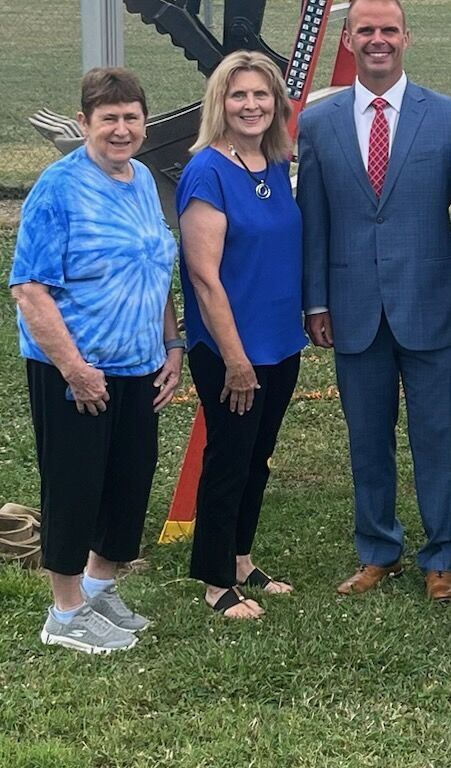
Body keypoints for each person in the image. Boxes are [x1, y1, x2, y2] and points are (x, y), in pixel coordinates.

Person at [297, 0, 451, 601]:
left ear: (407, 38)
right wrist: (315, 301)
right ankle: (378, 551)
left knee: (437, 436)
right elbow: (314, 219)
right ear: (348, 41)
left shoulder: (448, 115)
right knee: (366, 438)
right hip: (352, 311)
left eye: (390, 31)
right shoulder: (319, 123)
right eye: (365, 31)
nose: (378, 41)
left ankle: (442, 557)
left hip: (430, 305)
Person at [9, 67, 181, 655]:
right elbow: (29, 289)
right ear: (84, 122)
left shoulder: (139, 180)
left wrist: (173, 346)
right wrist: (75, 370)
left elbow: (156, 268)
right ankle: (64, 612)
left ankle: (100, 587)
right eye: (108, 118)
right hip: (77, 369)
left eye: (131, 117)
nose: (121, 128)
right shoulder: (58, 188)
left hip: (139, 363)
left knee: (128, 482)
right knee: (75, 485)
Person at [177, 52, 307, 620]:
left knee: (258, 456)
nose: (251, 106)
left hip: (280, 342)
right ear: (219, 105)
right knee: (229, 456)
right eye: (238, 96)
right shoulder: (206, 171)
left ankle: (240, 557)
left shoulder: (274, 161)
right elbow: (205, 279)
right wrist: (234, 358)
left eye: (261, 95)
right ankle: (213, 579)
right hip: (232, 349)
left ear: (276, 103)